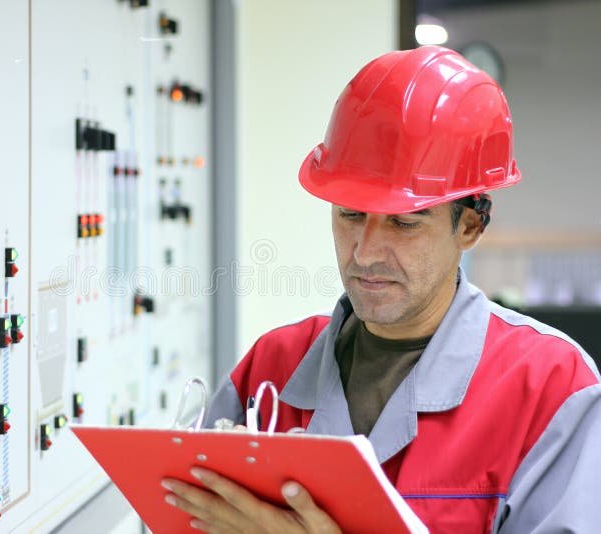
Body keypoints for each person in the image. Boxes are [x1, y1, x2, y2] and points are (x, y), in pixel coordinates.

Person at [160, 45, 601, 533]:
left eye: (404, 223)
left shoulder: (550, 386)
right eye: (350, 214)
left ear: (470, 227)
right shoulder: (271, 366)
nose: (366, 252)